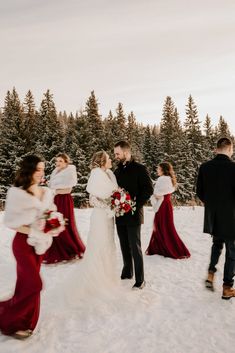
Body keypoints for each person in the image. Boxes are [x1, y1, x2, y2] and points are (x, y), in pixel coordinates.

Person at [0, 155, 58, 339]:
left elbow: (51, 213)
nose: (41, 173)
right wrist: (34, 230)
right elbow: (10, 222)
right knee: (34, 283)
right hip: (23, 244)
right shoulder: (16, 193)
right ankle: (7, 318)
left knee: (25, 285)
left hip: (40, 245)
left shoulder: (46, 192)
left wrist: (55, 224)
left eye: (43, 169)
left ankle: (25, 323)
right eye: (38, 169)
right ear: (29, 170)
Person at [54, 151, 119, 306]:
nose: (111, 160)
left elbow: (112, 193)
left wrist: (116, 204)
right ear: (102, 161)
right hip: (100, 217)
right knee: (98, 245)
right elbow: (93, 198)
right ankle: (95, 281)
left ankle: (107, 278)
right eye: (109, 158)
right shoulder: (96, 174)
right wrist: (112, 205)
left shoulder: (108, 173)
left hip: (108, 217)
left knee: (107, 245)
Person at [196, 137, 235, 300]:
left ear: (217, 148)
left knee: (217, 244)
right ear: (229, 149)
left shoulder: (205, 167)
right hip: (232, 216)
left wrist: (212, 204)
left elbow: (199, 191)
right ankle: (227, 288)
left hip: (213, 216)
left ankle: (211, 274)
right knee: (231, 252)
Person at [114, 141, 153, 289]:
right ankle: (127, 271)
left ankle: (140, 279)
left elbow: (148, 189)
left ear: (126, 152)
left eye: (117, 153)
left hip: (134, 214)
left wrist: (135, 205)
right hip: (119, 214)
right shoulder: (116, 172)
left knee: (135, 246)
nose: (116, 156)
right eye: (115, 154)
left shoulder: (140, 169)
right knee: (124, 245)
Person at [43, 153, 85, 264]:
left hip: (64, 200)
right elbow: (52, 185)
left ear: (66, 162)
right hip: (55, 200)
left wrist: (56, 191)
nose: (58, 163)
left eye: (61, 161)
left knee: (65, 223)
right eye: (57, 161)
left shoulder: (70, 171)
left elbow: (68, 189)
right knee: (54, 222)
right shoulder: (55, 171)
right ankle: (55, 247)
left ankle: (69, 248)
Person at [145, 162, 190, 259]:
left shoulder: (162, 179)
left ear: (163, 170)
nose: (157, 170)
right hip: (167, 204)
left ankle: (162, 248)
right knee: (168, 227)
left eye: (159, 168)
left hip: (161, 205)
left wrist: (153, 196)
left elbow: (157, 193)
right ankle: (168, 248)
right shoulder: (170, 179)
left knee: (160, 226)